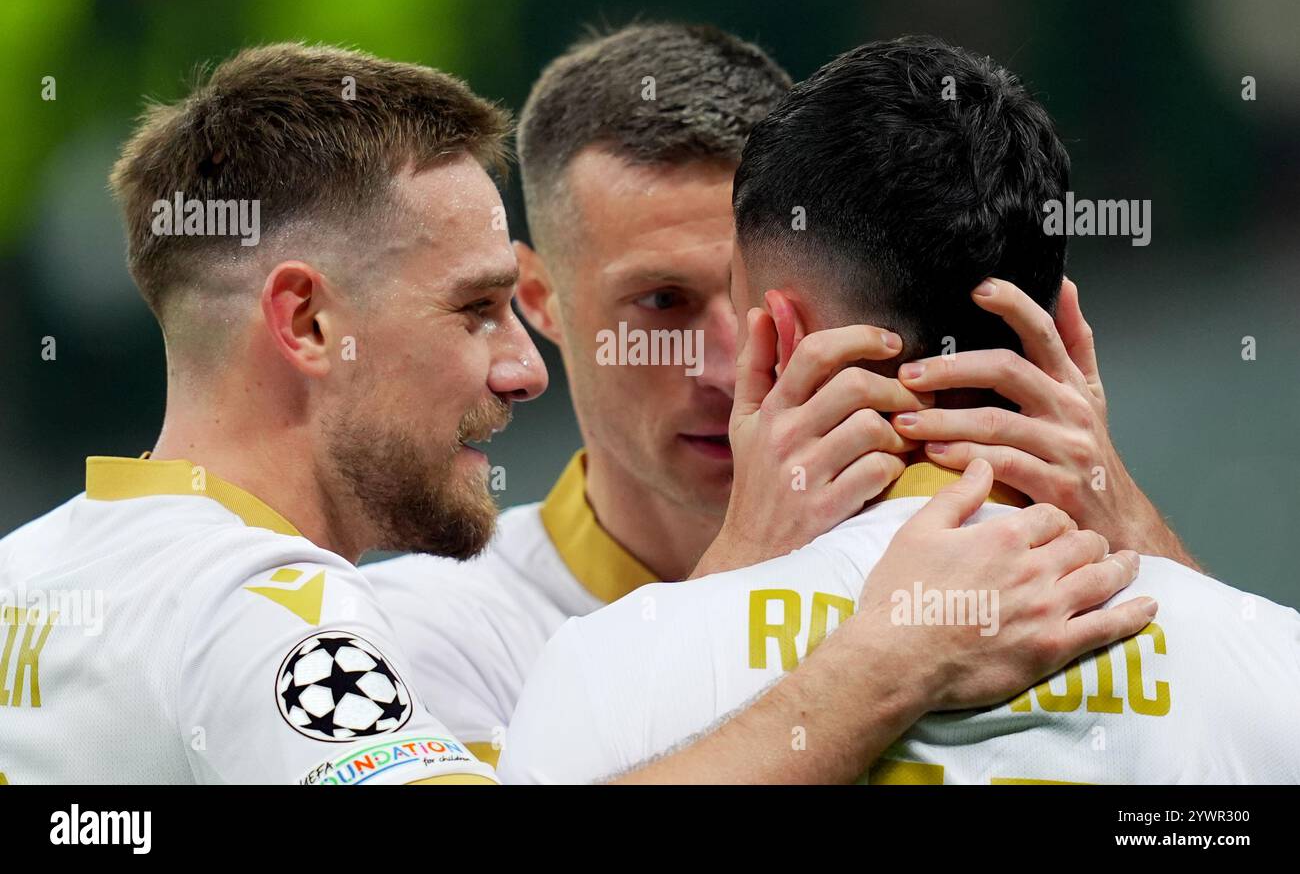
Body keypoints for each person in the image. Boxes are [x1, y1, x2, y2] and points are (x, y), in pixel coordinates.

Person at [0, 41, 1144, 785]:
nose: (521, 368)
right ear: (304, 325)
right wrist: (885, 656)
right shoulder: (268, 611)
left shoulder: (28, 578)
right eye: (476, 309)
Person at [367, 24, 1196, 764]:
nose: (734, 370)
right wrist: (735, 581)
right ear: (540, 299)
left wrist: (1138, 533)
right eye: (663, 303)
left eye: (764, 304)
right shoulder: (420, 637)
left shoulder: (1003, 570)